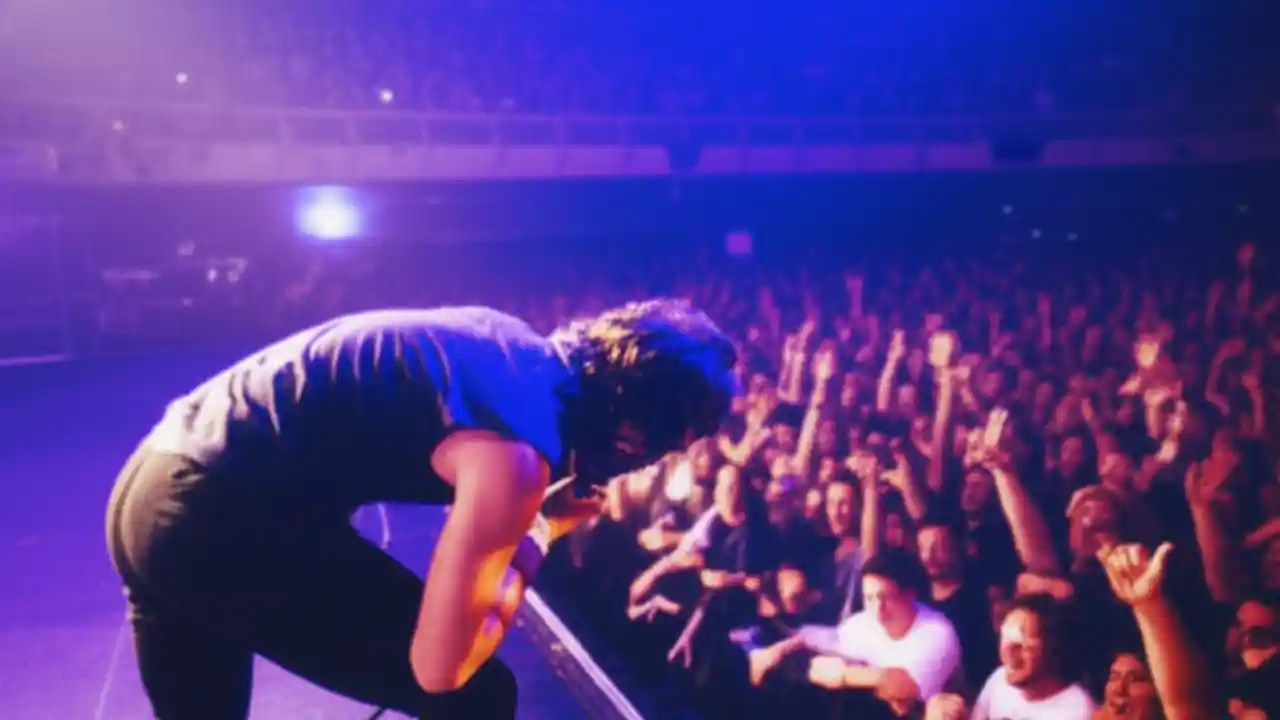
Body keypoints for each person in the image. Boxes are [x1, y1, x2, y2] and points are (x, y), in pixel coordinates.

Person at [104, 299, 737, 719]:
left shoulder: (514, 346)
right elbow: (441, 669)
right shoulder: (514, 455)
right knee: (479, 698)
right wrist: (542, 528)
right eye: (656, 450)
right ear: (631, 429)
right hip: (216, 521)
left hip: (149, 485)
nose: (644, 466)